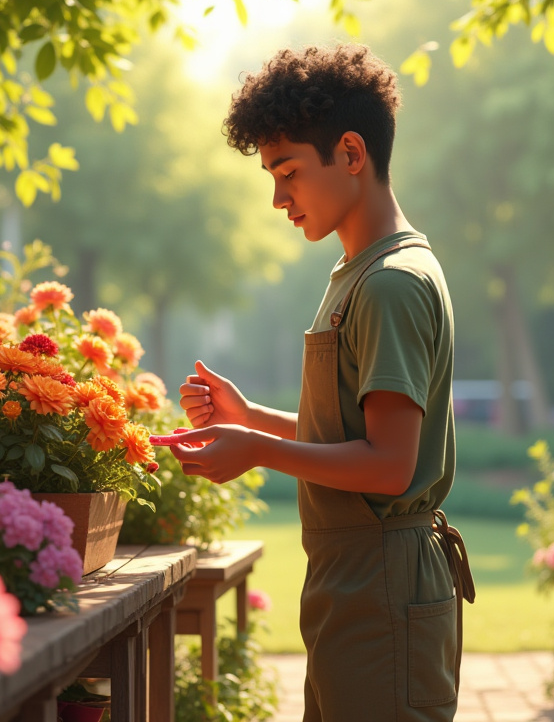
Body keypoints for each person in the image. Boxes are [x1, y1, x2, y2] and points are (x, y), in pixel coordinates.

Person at [160, 44, 474, 721]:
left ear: (351, 153)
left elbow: (390, 466)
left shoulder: (390, 283)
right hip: (354, 581)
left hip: (382, 582)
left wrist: (257, 451)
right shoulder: (359, 273)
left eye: (289, 172)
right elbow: (352, 437)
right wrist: (250, 419)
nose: (278, 198)